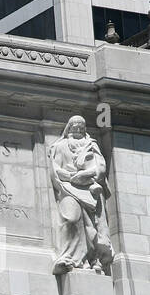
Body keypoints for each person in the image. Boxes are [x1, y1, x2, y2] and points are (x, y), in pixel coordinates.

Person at [48, 115, 114, 274]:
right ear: (69, 128)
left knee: (91, 227)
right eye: (74, 126)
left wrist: (86, 175)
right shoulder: (61, 146)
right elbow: (56, 170)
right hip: (67, 188)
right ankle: (68, 256)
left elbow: (101, 168)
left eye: (81, 127)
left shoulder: (91, 145)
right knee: (71, 219)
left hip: (90, 190)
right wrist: (71, 177)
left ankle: (90, 260)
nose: (77, 129)